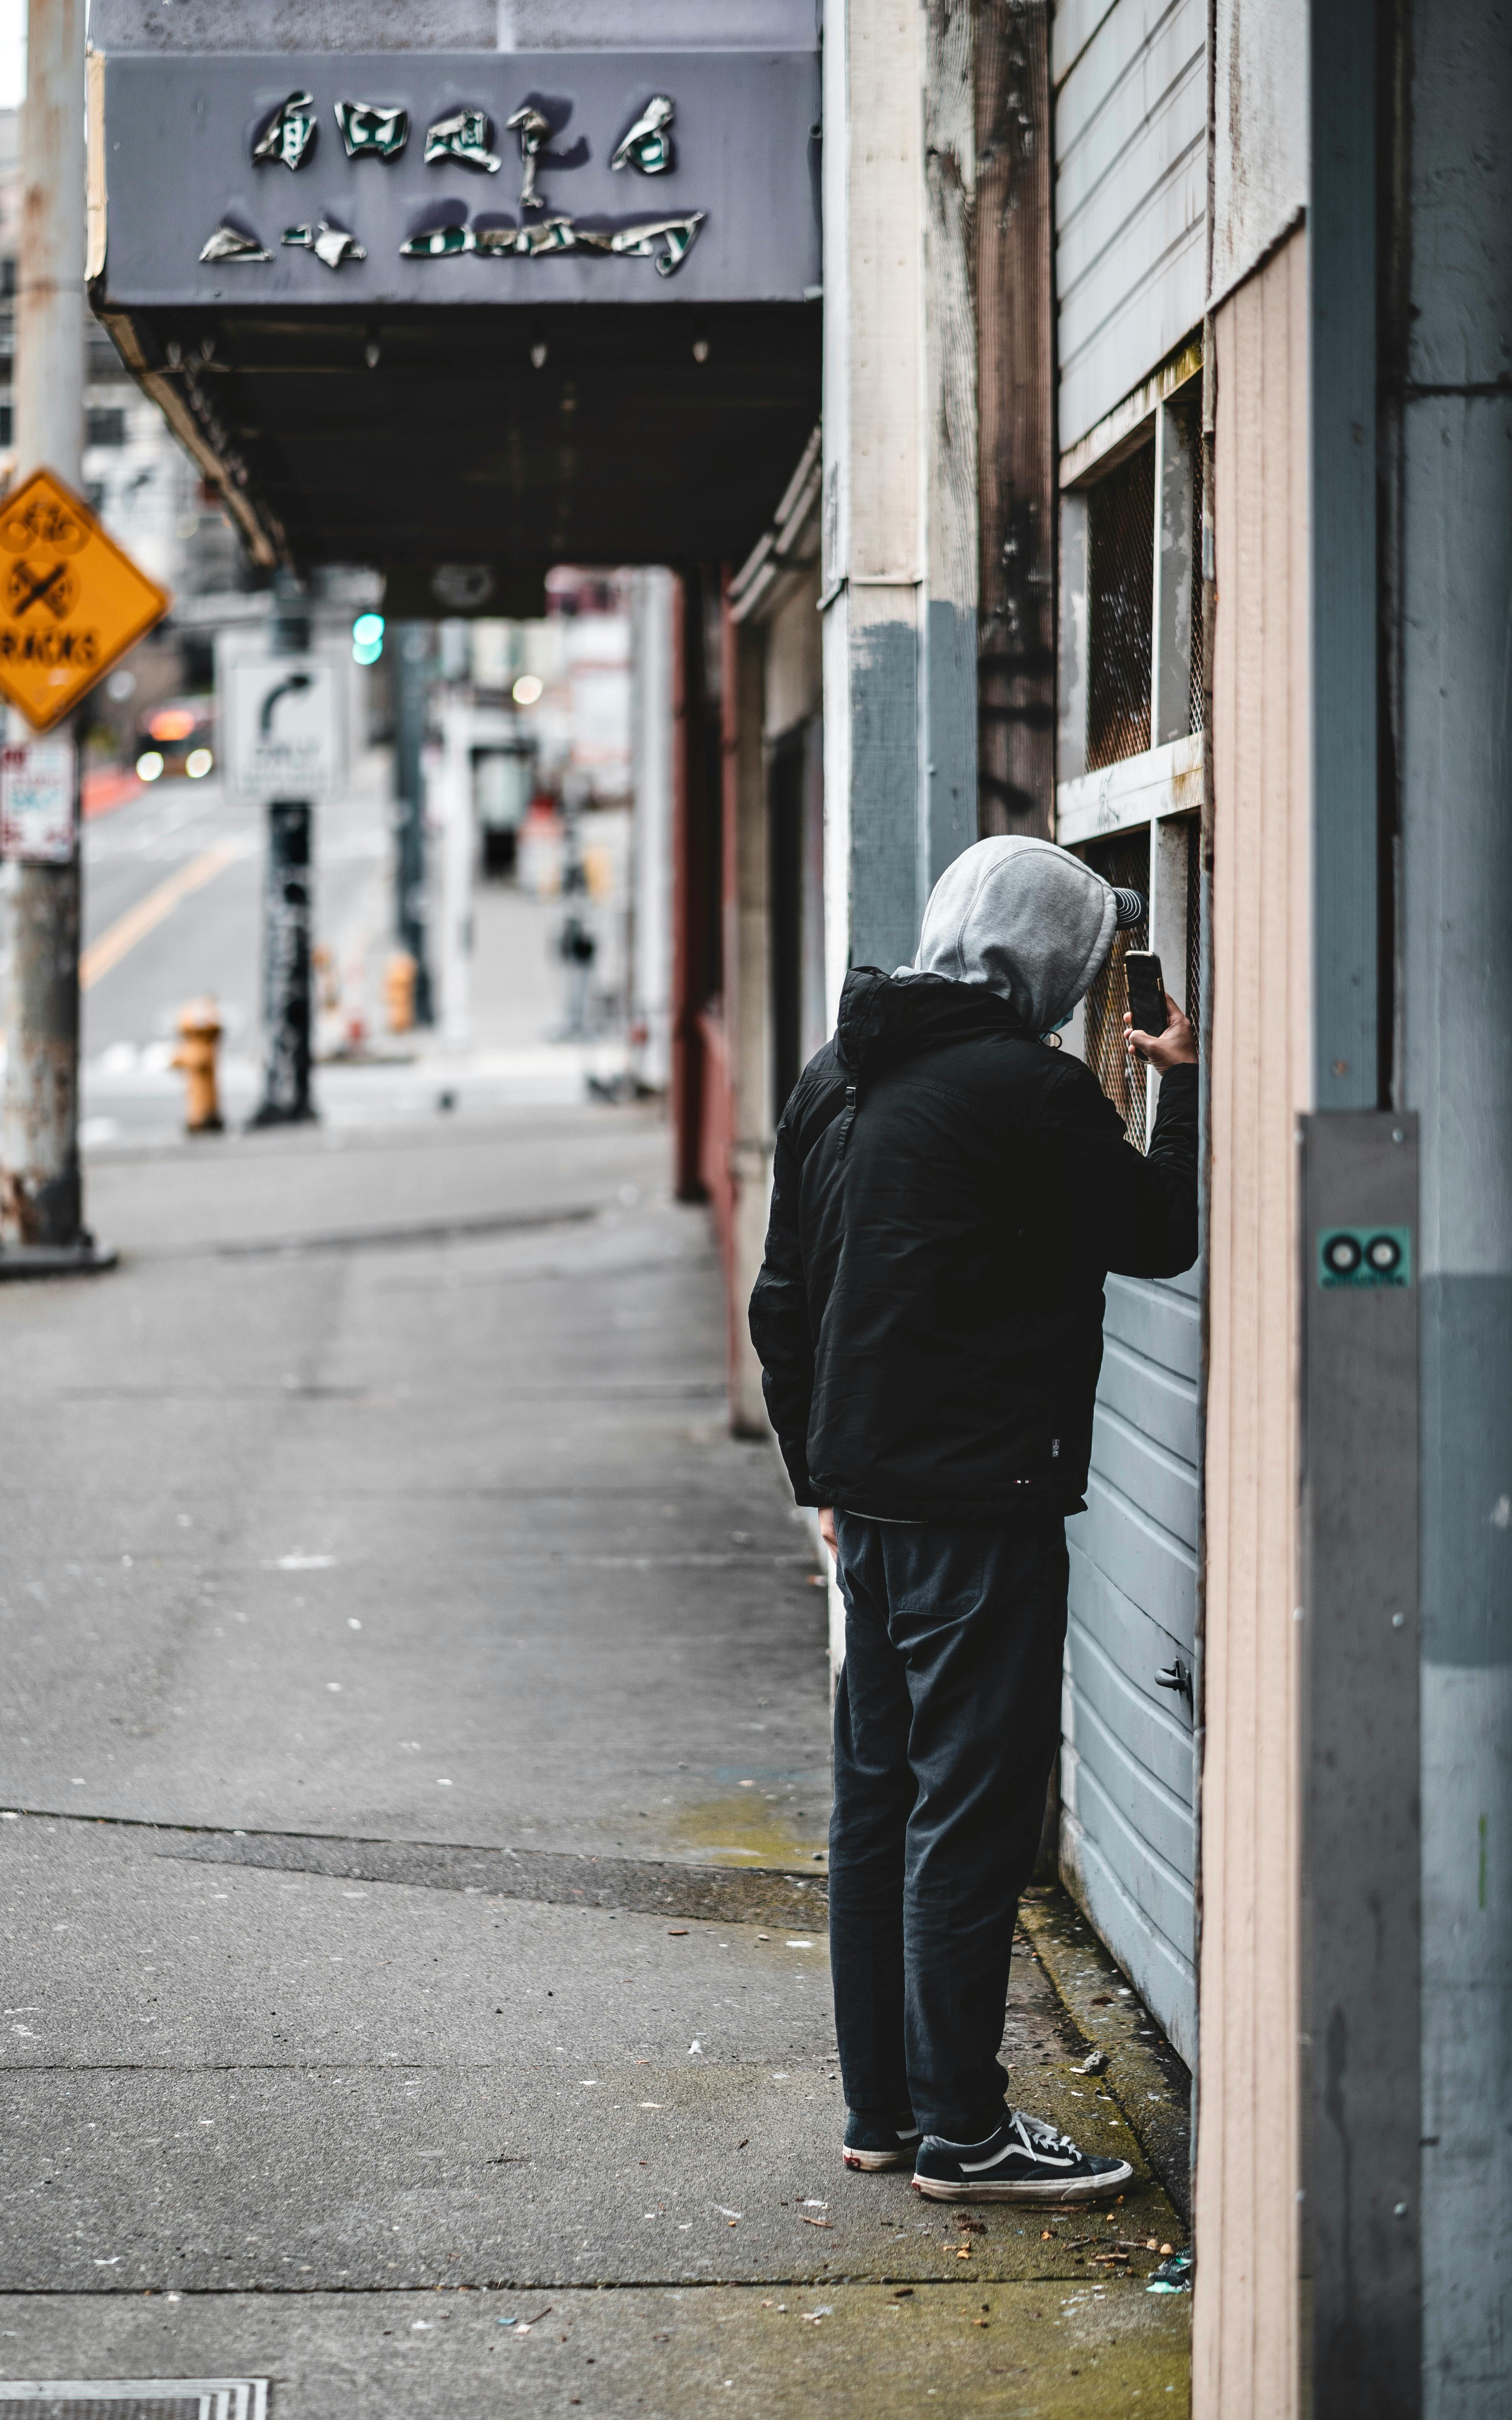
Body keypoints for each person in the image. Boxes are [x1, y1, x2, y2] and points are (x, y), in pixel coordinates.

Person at [748, 834, 1198, 2203]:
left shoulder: (837, 1072)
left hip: (871, 1513)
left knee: (879, 1806)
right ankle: (967, 2131)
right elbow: (1158, 1232)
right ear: (1054, 965)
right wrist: (1179, 1088)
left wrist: (819, 1479)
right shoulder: (1032, 1090)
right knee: (972, 1815)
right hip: (978, 1511)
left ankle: (885, 2114)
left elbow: (783, 1302)